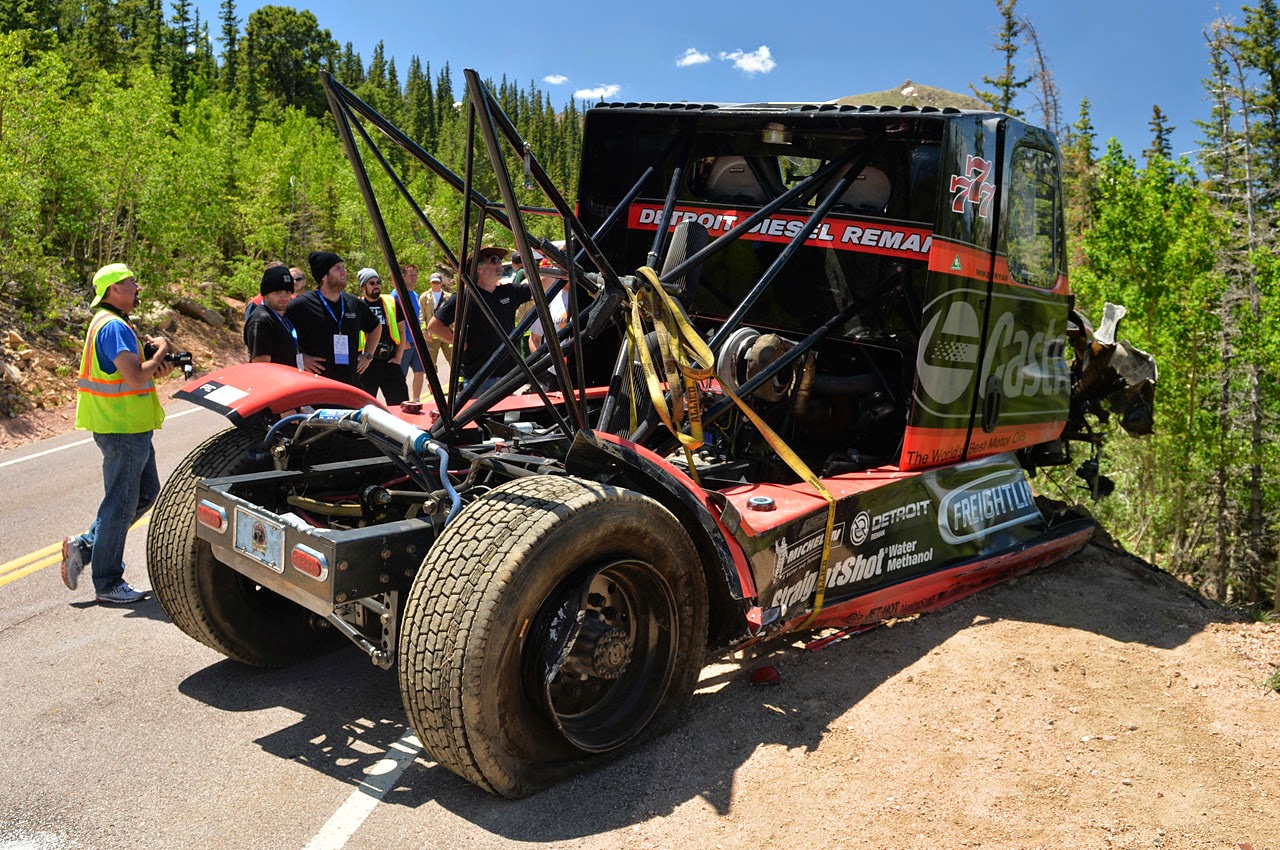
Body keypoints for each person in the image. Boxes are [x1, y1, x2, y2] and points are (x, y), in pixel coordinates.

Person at [61, 263, 174, 604]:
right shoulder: (112, 327)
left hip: (129, 427)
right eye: (131, 283)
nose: (138, 287)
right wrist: (163, 351)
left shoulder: (113, 324)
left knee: (143, 495)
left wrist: (156, 366)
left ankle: (84, 546)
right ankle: (108, 582)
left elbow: (133, 375)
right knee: (120, 505)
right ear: (113, 291)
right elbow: (136, 377)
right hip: (122, 429)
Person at [426, 246, 532, 392]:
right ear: (479, 268)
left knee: (509, 415)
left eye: (500, 260)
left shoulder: (508, 291)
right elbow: (434, 325)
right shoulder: (466, 296)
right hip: (479, 379)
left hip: (508, 377)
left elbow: (538, 288)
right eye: (494, 260)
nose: (499, 264)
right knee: (482, 416)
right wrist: (460, 343)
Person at [284, 251, 381, 388]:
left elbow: (375, 327)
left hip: (351, 384)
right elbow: (280, 336)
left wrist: (368, 355)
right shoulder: (300, 305)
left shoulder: (354, 303)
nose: (344, 272)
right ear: (324, 276)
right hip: (315, 386)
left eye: (343, 267)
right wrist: (300, 358)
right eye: (337, 268)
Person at [355, 267, 410, 406]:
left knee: (401, 404)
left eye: (377, 282)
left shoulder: (390, 302)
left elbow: (402, 331)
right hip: (366, 365)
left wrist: (398, 358)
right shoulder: (356, 305)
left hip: (390, 362)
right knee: (363, 406)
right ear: (363, 286)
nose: (376, 286)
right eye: (371, 283)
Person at [244, 264, 303, 367]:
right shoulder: (261, 320)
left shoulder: (282, 317)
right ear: (266, 293)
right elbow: (261, 366)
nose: (284, 296)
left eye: (288, 291)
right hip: (275, 381)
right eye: (278, 291)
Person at [528, 257, 572, 392]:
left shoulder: (586, 296)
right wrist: (544, 364)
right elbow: (534, 338)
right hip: (554, 375)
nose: (560, 272)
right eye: (557, 268)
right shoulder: (550, 299)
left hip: (580, 371)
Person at [392, 263, 428, 403]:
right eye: (410, 275)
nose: (414, 278)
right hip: (404, 342)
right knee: (401, 375)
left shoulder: (415, 294)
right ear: (403, 276)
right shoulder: (396, 295)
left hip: (417, 341)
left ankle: (416, 400)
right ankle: (400, 401)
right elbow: (392, 319)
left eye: (415, 275)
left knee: (420, 371)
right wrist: (401, 340)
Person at [419, 271, 453, 385]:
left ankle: (457, 383)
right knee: (431, 363)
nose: (435, 285)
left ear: (441, 283)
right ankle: (432, 385)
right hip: (431, 335)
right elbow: (421, 315)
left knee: (453, 359)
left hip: (446, 333)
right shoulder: (425, 297)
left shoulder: (448, 296)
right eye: (433, 282)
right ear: (430, 283)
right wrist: (425, 331)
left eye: (437, 282)